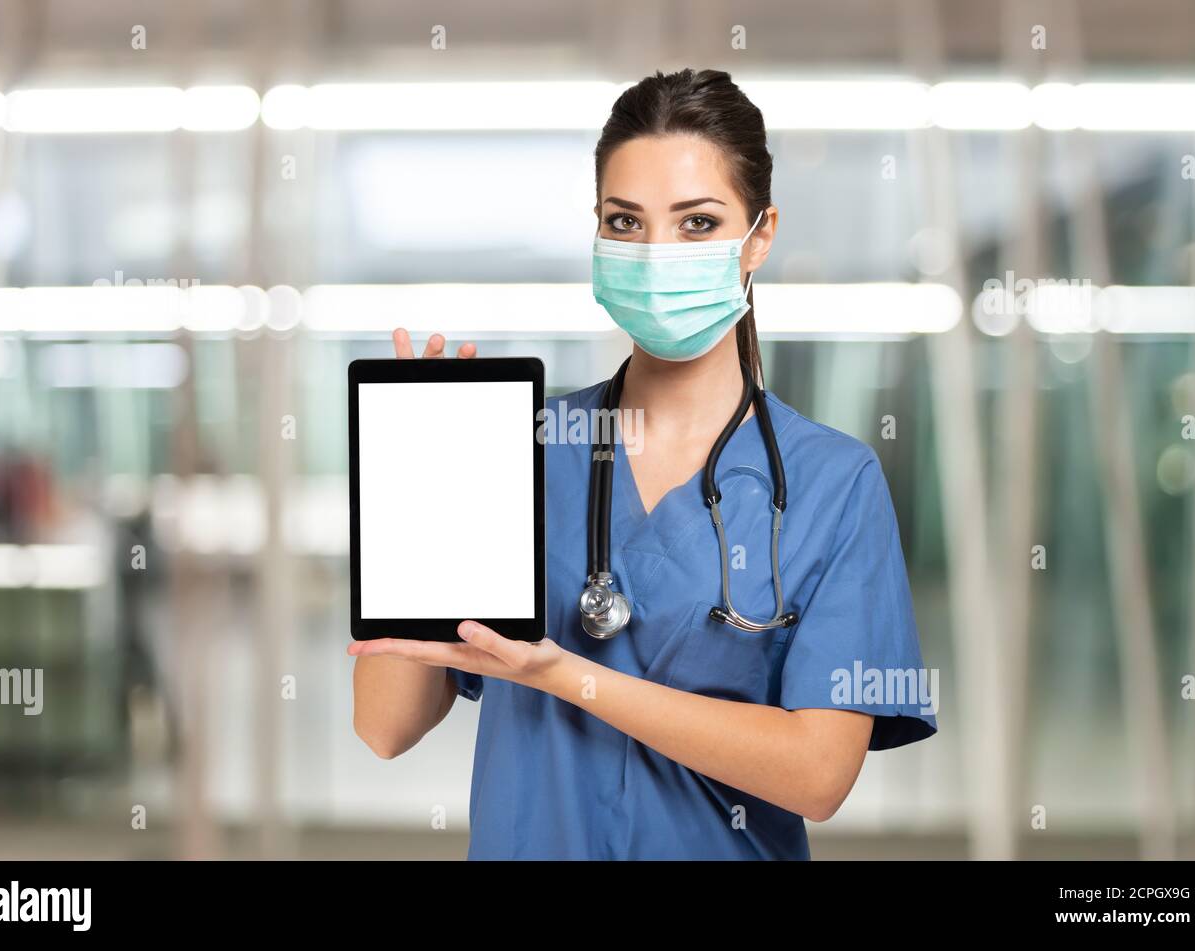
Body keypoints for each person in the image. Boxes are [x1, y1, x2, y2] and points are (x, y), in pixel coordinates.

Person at [349, 67, 936, 860]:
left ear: (760, 236)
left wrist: (562, 673)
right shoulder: (518, 450)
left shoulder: (834, 483)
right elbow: (385, 728)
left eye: (696, 224)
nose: (656, 253)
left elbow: (818, 773)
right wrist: (414, 497)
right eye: (625, 222)